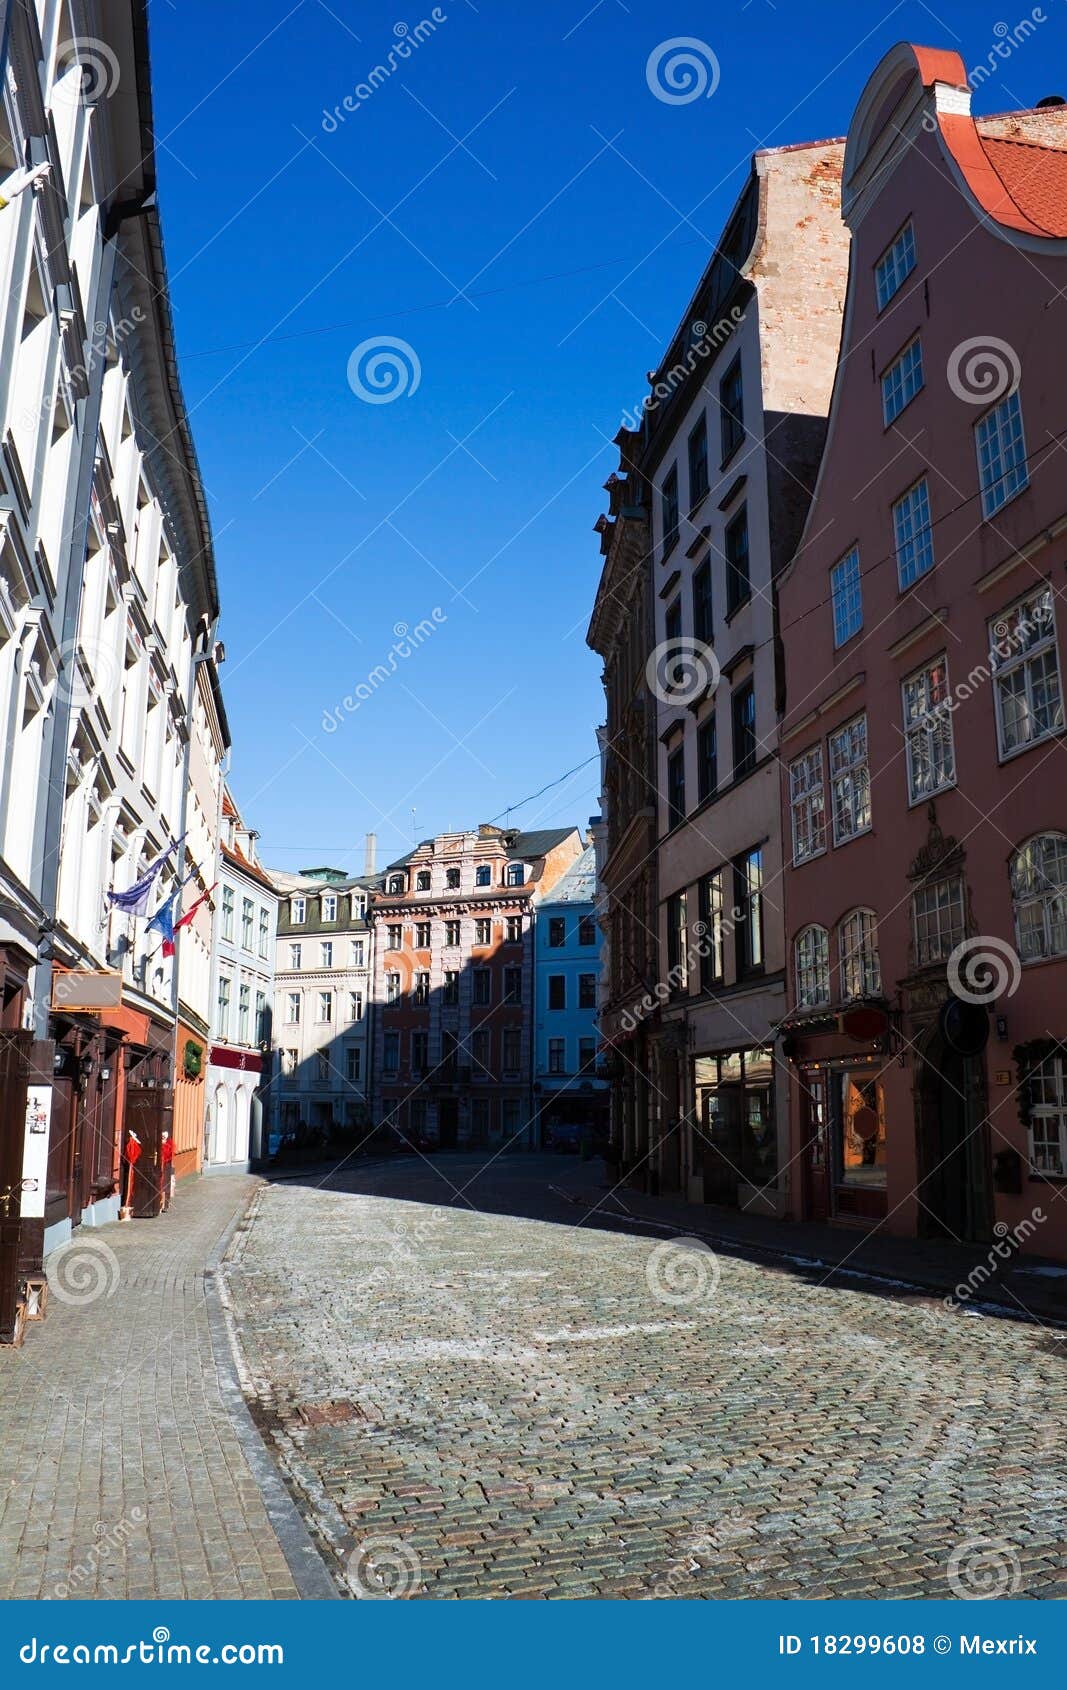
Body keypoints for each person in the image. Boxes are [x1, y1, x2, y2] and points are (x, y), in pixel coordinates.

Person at [160, 1129, 175, 1211]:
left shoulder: (168, 1144)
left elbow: (170, 1153)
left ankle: (163, 1204)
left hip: (165, 1165)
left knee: (164, 1182)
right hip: (160, 1164)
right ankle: (161, 1204)